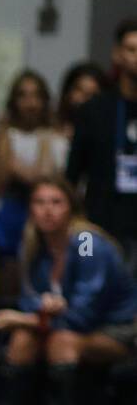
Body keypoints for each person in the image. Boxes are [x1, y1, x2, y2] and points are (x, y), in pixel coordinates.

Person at [0, 176, 137, 405]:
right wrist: (31, 318)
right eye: (40, 203)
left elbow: (82, 315)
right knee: (22, 341)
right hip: (62, 330)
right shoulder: (34, 246)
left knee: (61, 341)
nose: (47, 211)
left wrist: (24, 318)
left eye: (56, 202)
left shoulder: (86, 244)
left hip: (119, 330)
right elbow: (31, 300)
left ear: (72, 208)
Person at [0, 70, 69, 287]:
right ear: (14, 101)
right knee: (7, 271)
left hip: (47, 214)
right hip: (12, 212)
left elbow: (46, 180)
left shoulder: (58, 139)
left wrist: (43, 143)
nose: (30, 103)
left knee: (42, 271)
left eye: (36, 96)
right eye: (23, 95)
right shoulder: (5, 135)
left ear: (45, 100)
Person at [67, 18, 137, 269]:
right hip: (102, 221)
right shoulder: (94, 111)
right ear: (117, 54)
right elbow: (73, 173)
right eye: (131, 49)